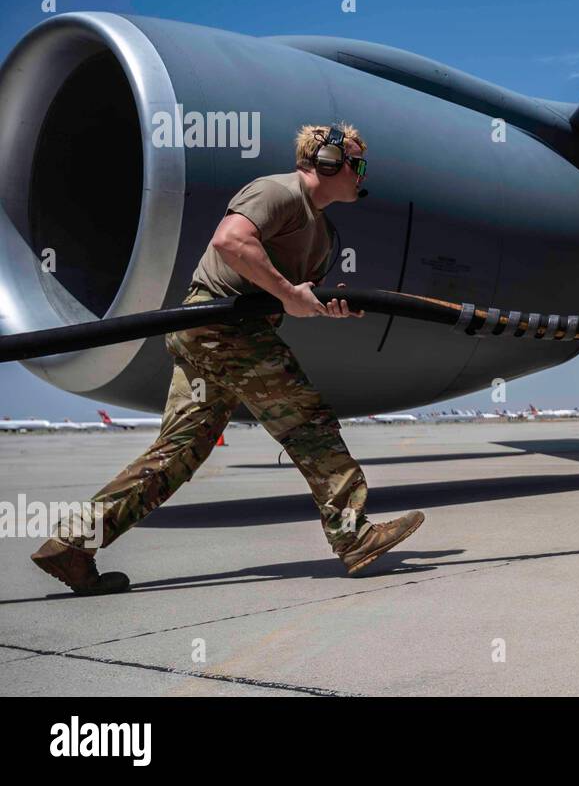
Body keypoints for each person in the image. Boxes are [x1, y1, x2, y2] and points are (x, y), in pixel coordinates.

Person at [31, 123, 424, 595]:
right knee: (307, 424)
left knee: (178, 453)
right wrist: (286, 293)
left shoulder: (323, 231)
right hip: (224, 327)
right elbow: (231, 241)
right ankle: (353, 534)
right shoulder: (278, 191)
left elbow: (293, 296)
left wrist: (326, 303)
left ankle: (74, 545)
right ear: (326, 163)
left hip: (212, 336)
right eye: (356, 163)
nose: (362, 173)